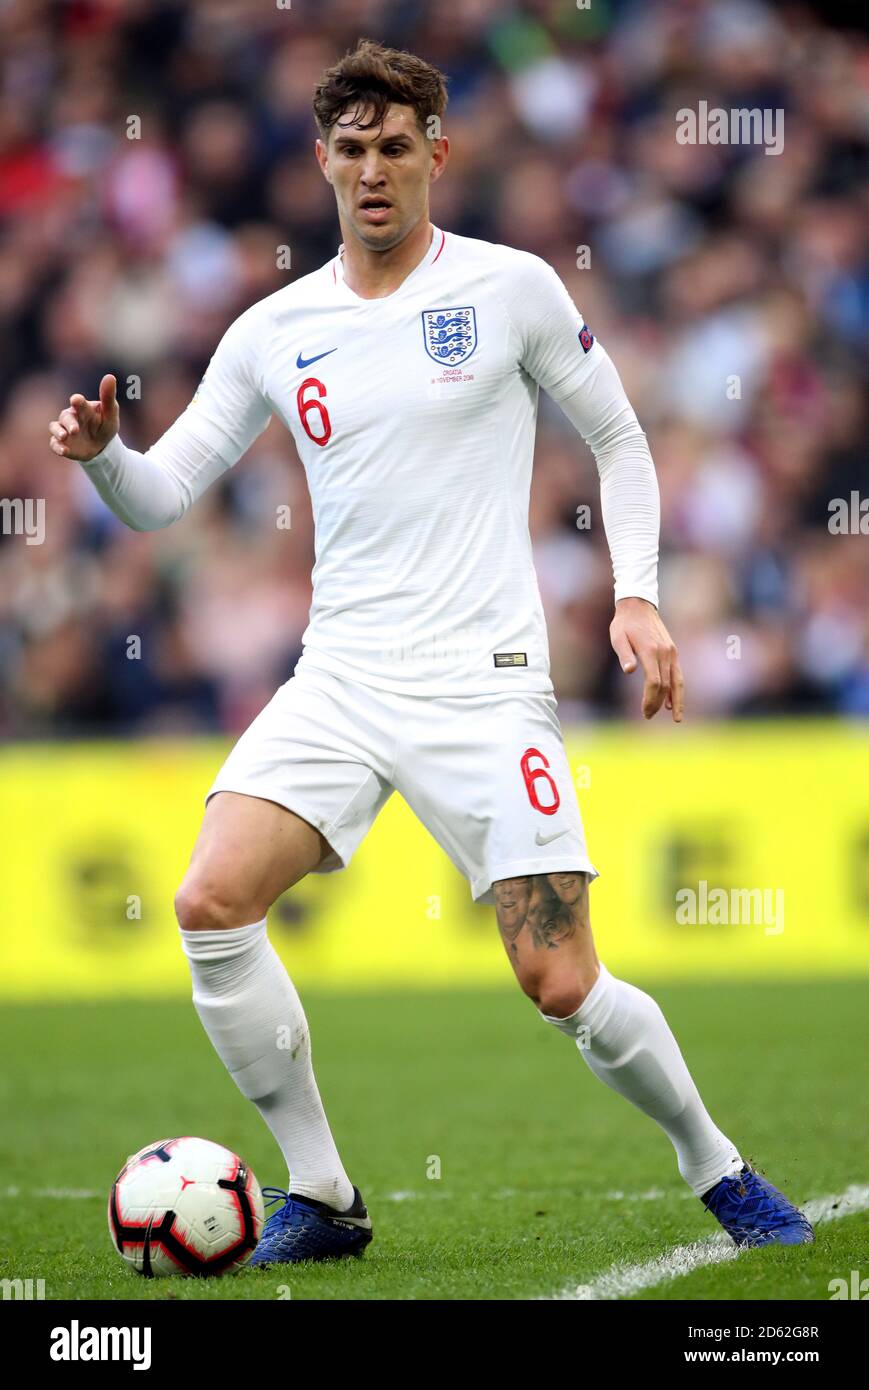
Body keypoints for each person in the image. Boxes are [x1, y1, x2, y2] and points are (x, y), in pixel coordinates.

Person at [49, 38, 812, 1266]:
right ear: (319, 160)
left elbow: (619, 441)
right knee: (209, 901)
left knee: (558, 982)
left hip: (483, 684)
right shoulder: (272, 328)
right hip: (341, 678)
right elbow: (164, 494)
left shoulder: (509, 289)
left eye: (393, 147)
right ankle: (323, 1193)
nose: (370, 171)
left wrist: (639, 596)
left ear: (436, 154)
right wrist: (100, 462)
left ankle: (715, 1166)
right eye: (348, 149)